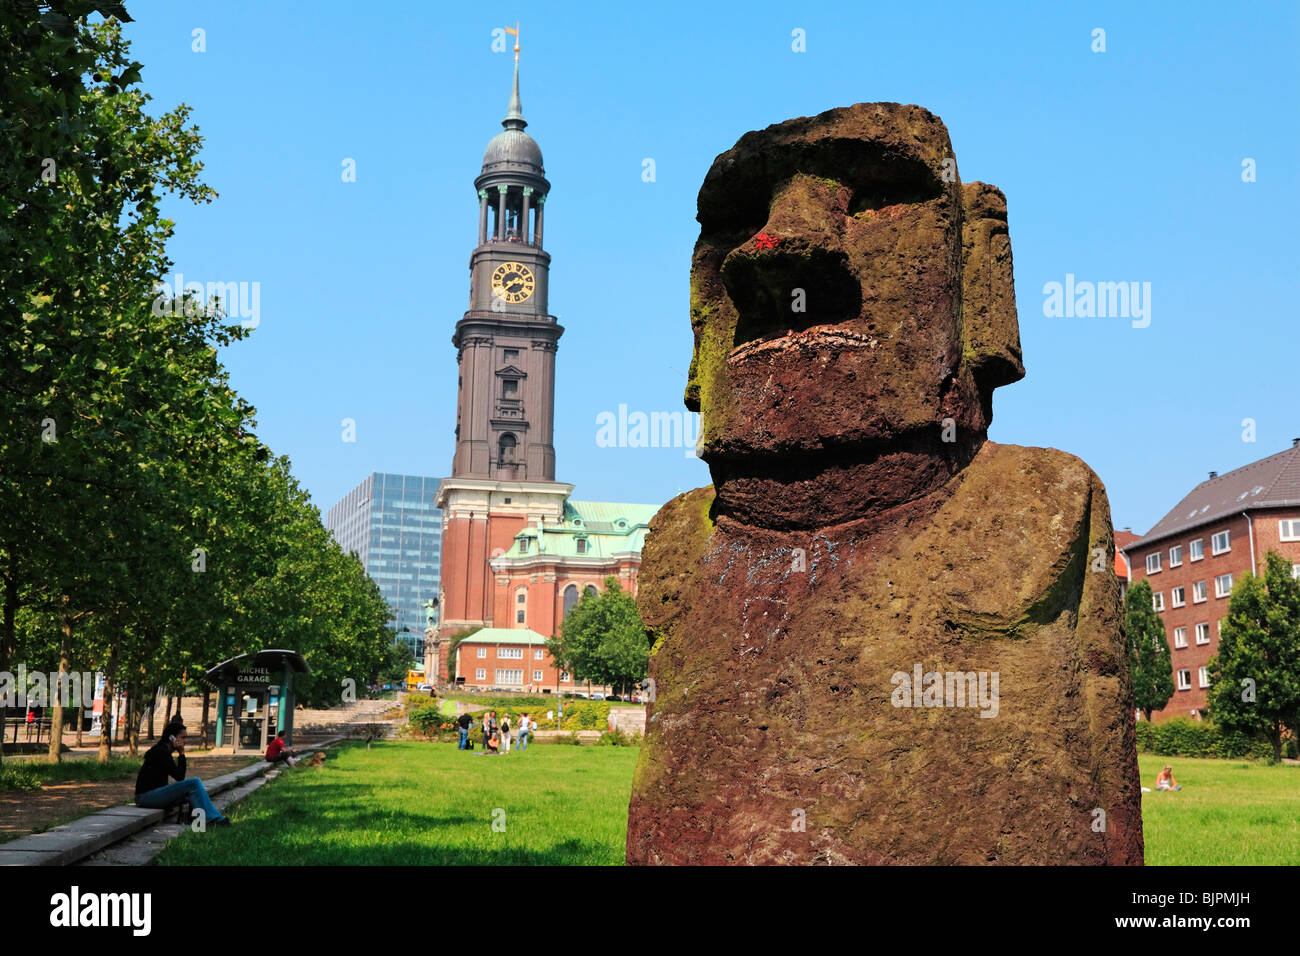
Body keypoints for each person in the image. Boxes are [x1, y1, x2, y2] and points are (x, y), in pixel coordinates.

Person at [134, 718, 229, 826]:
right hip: (145, 798)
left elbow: (177, 777)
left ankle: (202, 821)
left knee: (193, 792)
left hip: (151, 795)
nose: (185, 741)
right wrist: (181, 753)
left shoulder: (162, 750)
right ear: (172, 738)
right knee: (194, 782)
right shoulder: (161, 751)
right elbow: (179, 777)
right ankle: (213, 819)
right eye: (183, 737)